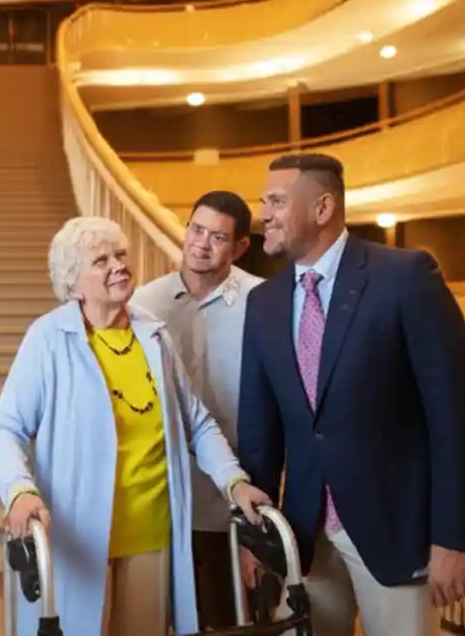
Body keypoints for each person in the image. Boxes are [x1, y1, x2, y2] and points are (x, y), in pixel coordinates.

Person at [237, 153, 465, 636]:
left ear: (323, 207)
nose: (264, 213)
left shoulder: (406, 277)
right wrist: (259, 537)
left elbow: (456, 416)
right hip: (305, 540)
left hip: (397, 534)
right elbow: (259, 432)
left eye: (276, 201)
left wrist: (457, 537)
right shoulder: (263, 303)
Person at [0, 216, 273, 636]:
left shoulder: (153, 335)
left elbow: (197, 422)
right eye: (100, 260)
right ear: (73, 284)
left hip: (151, 534)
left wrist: (235, 481)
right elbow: (4, 428)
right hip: (79, 537)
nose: (118, 265)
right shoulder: (48, 338)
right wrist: (18, 490)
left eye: (120, 254)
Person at [131, 191, 264, 631]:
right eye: (196, 229)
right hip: (165, 502)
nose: (201, 244)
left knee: (234, 622)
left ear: (241, 246)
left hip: (234, 500)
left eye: (219, 237)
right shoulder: (143, 306)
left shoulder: (263, 303)